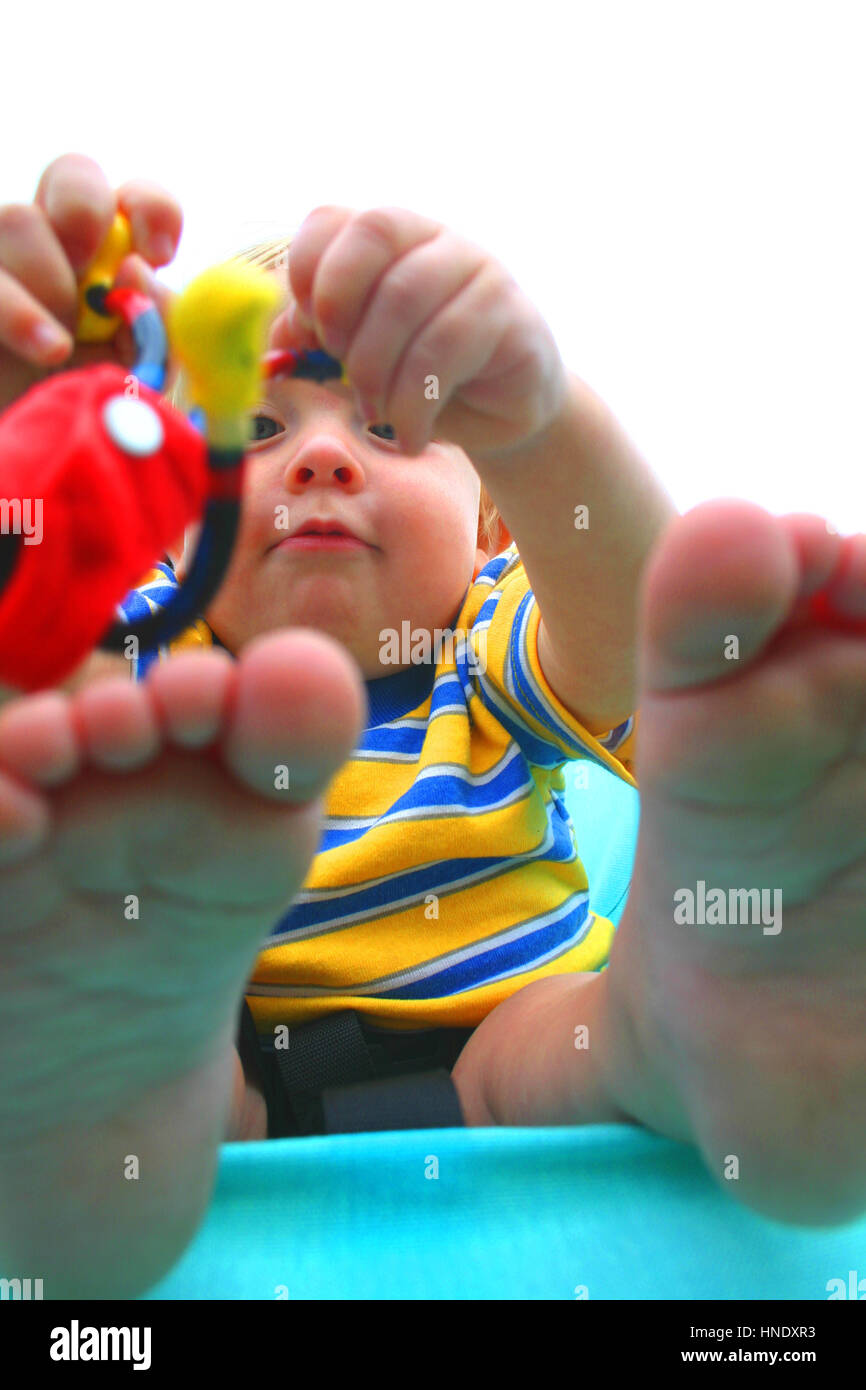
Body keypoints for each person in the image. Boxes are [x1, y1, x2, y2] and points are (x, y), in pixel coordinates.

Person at [0, 153, 864, 1301]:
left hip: (510, 1041)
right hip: (224, 1054)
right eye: (254, 426)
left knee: (600, 1039)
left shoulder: (481, 642)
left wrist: (537, 419)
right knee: (157, 1005)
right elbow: (33, 658)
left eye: (389, 427)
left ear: (493, 525)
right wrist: (39, 430)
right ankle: (95, 1103)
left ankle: (721, 1026)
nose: (318, 456)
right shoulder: (158, 658)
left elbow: (617, 653)